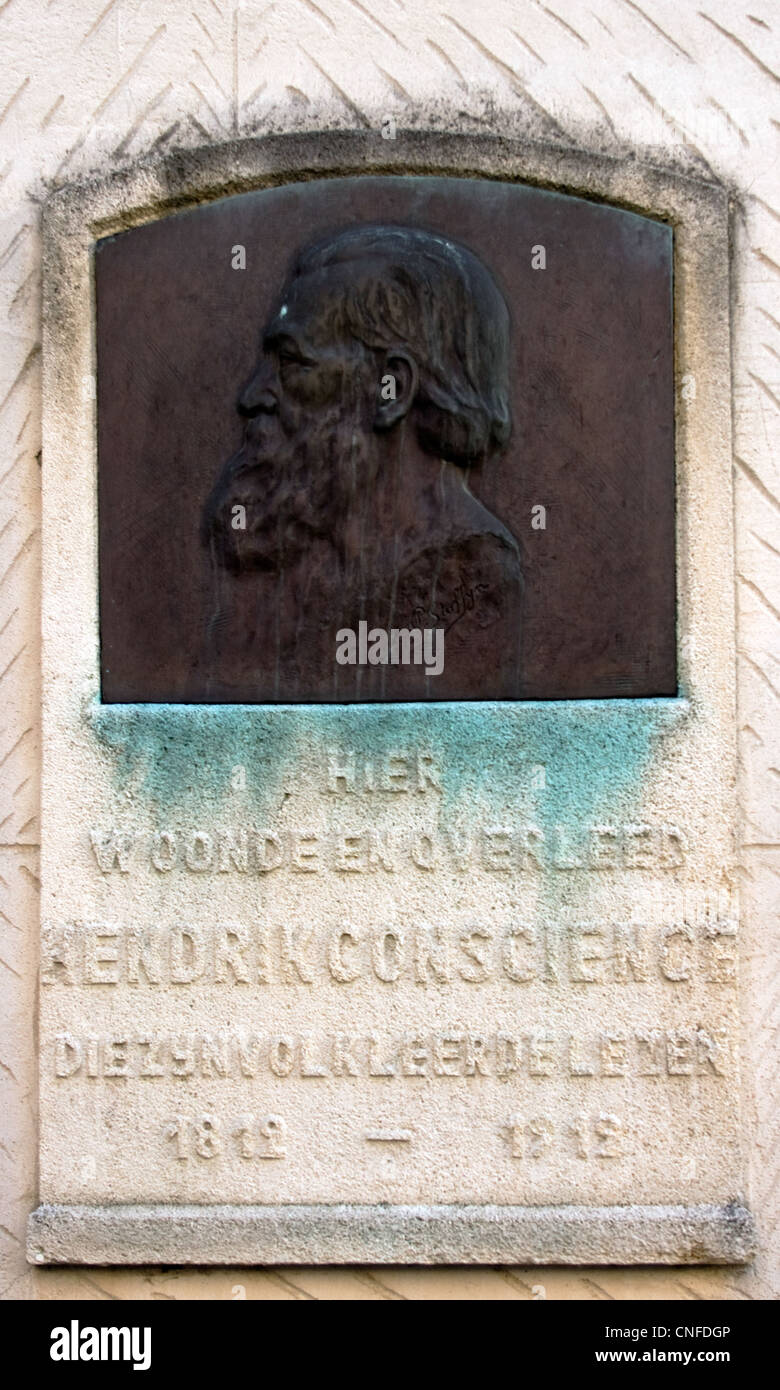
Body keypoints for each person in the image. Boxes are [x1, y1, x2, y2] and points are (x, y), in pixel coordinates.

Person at [202, 223, 522, 700]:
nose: (252, 397)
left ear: (389, 390)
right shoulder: (323, 581)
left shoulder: (467, 580)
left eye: (292, 363)